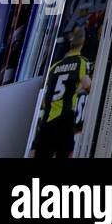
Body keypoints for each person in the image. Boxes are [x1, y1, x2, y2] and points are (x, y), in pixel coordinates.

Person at [32, 25, 93, 158]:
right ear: (83, 42)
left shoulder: (53, 67)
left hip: (47, 120)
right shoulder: (81, 62)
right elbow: (88, 86)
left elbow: (44, 99)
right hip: (65, 119)